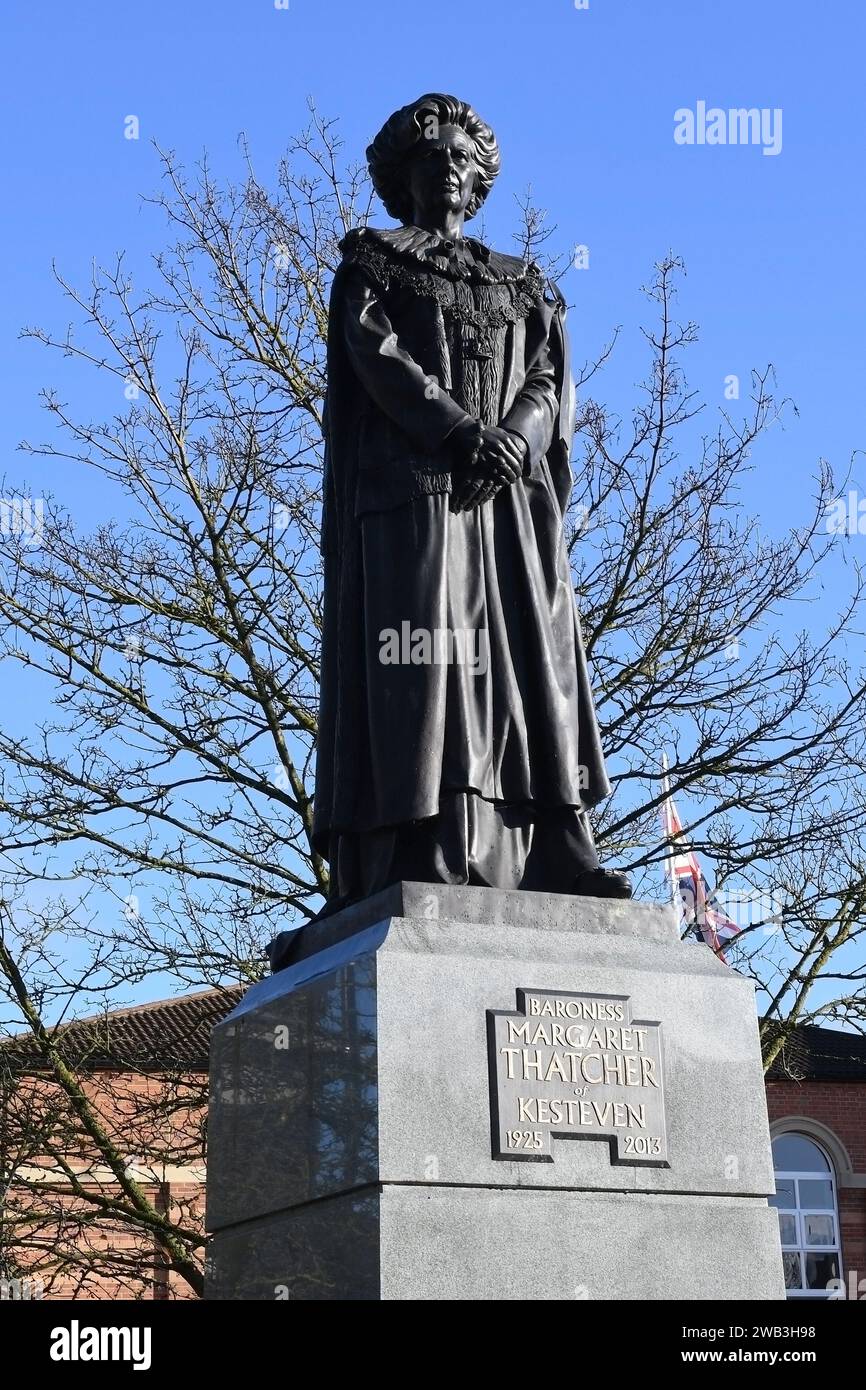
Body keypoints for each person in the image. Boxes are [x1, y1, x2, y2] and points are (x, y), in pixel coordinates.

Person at [312, 93, 631, 915]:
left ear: (481, 176)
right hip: (418, 498)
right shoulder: (374, 264)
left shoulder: (523, 283)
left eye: (461, 156)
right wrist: (458, 433)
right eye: (431, 156)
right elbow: (377, 358)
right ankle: (427, 839)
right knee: (429, 666)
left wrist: (516, 439)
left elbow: (548, 376)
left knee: (538, 659)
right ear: (402, 176)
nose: (448, 167)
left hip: (511, 502)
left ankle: (560, 842)